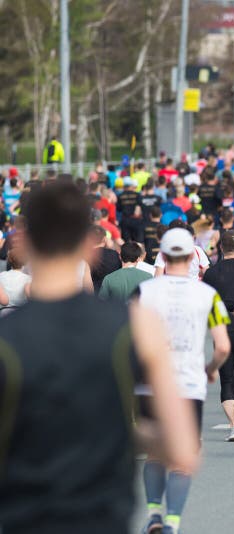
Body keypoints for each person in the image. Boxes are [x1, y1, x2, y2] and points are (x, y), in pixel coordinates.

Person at [0, 181, 198, 533]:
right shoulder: (138, 326)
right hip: (100, 518)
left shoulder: (7, 338)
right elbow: (182, 449)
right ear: (89, 250)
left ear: (25, 243)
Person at [134, 228, 231, 534]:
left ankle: (153, 513)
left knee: (153, 452)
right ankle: (173, 520)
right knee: (183, 457)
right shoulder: (208, 295)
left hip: (148, 382)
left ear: (161, 256)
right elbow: (223, 346)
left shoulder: (144, 290)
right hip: (188, 383)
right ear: (192, 256)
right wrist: (211, 368)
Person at [202, 230, 234, 442]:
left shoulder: (211, 273)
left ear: (221, 248)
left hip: (222, 328)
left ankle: (233, 426)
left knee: (227, 379)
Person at [0, 249, 29, 315]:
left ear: (9, 260)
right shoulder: (28, 279)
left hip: (4, 313)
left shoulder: (1, 275)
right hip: (22, 312)